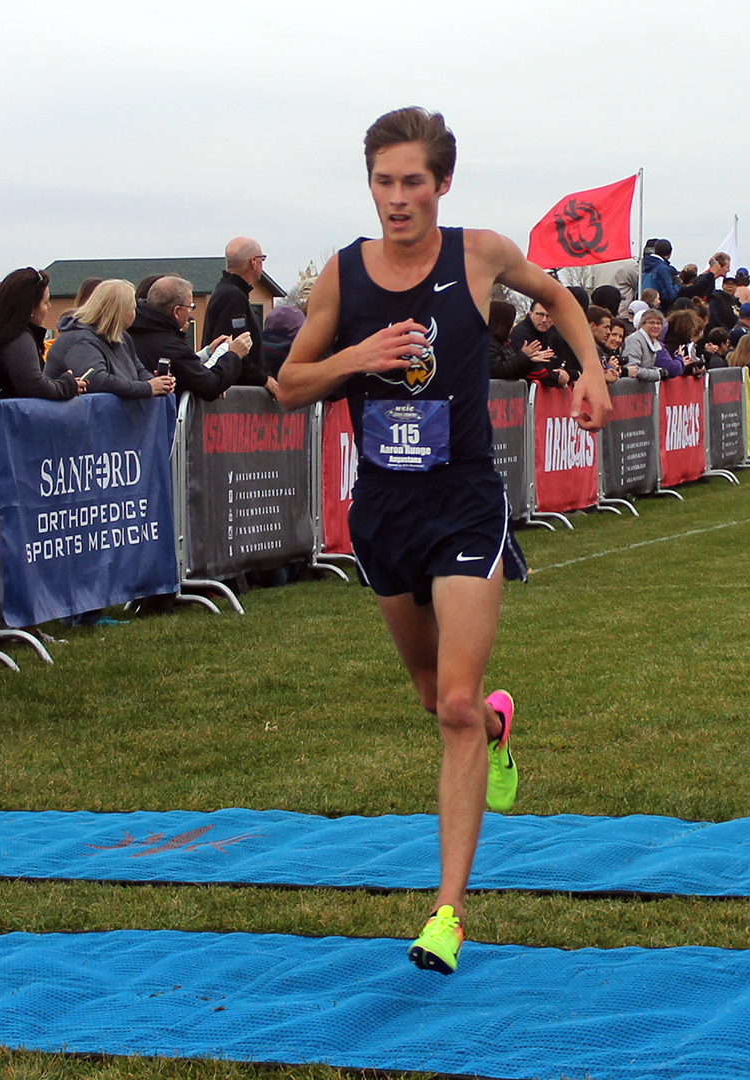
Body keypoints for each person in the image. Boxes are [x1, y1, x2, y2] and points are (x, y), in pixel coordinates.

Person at [274, 107, 609, 976]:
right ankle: (497, 723)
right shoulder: (344, 277)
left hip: (464, 500)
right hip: (384, 509)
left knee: (450, 706)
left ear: (442, 184)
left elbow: (561, 297)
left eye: (412, 181)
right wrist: (358, 358)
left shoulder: (480, 254)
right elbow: (286, 385)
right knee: (435, 700)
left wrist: (593, 374)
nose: (397, 199)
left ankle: (447, 915)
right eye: (382, 182)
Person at [127, 274, 250, 400]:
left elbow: (188, 368)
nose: (191, 312)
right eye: (190, 306)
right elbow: (209, 385)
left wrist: (208, 352)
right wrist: (234, 355)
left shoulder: (130, 330)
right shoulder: (171, 346)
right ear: (176, 311)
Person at [47, 279, 176, 399]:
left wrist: (159, 383)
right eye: (132, 308)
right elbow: (97, 381)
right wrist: (147, 387)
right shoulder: (80, 339)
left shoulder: (122, 336)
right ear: (119, 313)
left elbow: (138, 371)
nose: (134, 313)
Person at [0, 268, 80, 401]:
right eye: (45, 302)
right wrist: (67, 386)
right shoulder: (19, 340)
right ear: (30, 307)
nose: (49, 306)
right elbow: (33, 386)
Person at [205, 237, 269, 386]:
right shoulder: (233, 297)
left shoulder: (223, 292)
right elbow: (233, 347)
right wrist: (264, 380)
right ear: (253, 262)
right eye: (262, 259)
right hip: (236, 395)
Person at [640, 239, 679, 305]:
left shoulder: (642, 266)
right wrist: (677, 284)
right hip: (656, 308)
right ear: (669, 254)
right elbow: (669, 296)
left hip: (642, 304)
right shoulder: (663, 269)